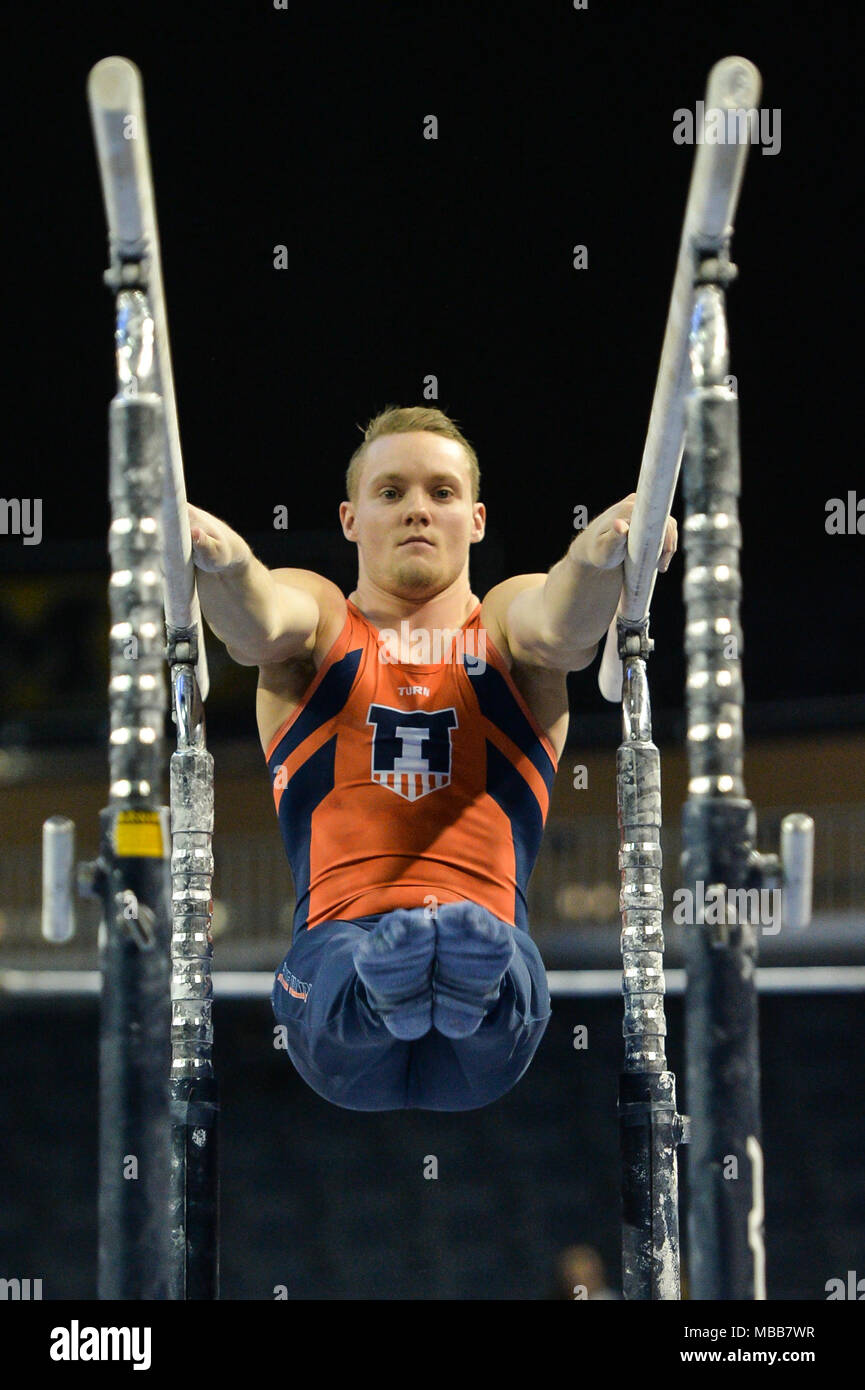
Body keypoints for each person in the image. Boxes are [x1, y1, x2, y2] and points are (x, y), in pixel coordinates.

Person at [190, 406, 676, 1112]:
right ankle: (406, 981)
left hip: (488, 972)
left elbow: (563, 626)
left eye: (441, 493)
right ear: (350, 518)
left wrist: (597, 556)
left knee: (493, 963)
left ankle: (443, 977)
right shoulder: (321, 621)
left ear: (475, 520)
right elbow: (258, 619)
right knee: (362, 971)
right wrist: (224, 560)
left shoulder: (506, 624)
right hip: (336, 959)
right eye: (391, 492)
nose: (417, 510)